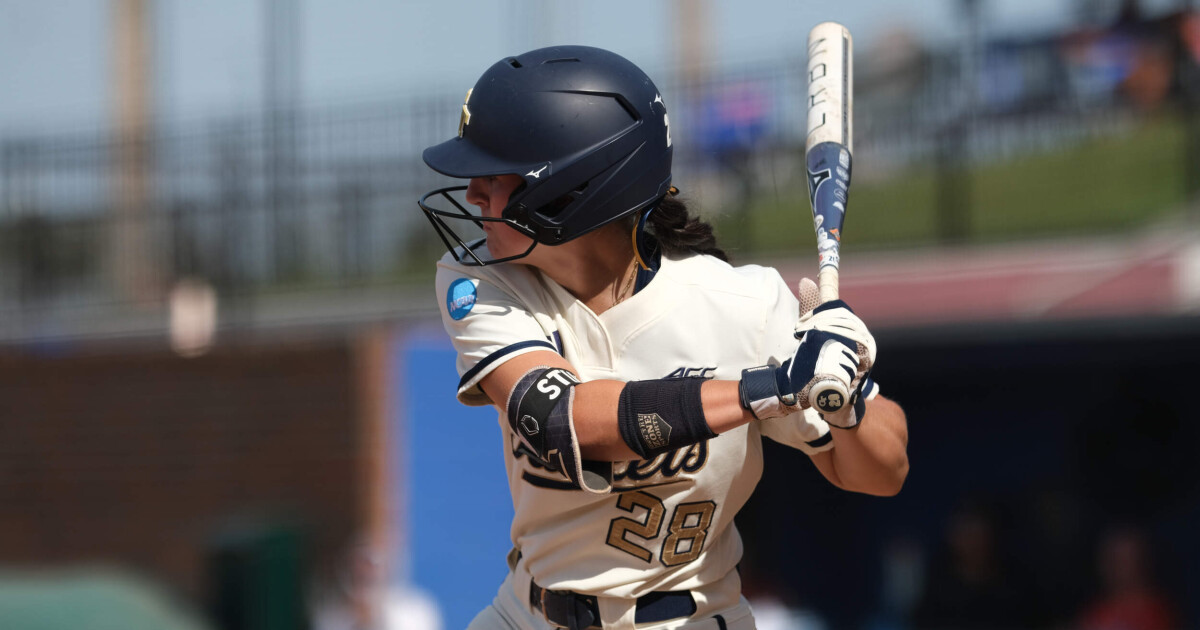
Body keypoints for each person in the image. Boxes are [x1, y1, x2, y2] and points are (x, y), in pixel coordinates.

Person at [418, 45, 909, 630]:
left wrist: (847, 392)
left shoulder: (742, 307)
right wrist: (773, 387)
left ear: (571, 191)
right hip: (525, 615)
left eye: (495, 176)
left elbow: (883, 472)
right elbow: (561, 419)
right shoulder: (481, 279)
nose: (473, 193)